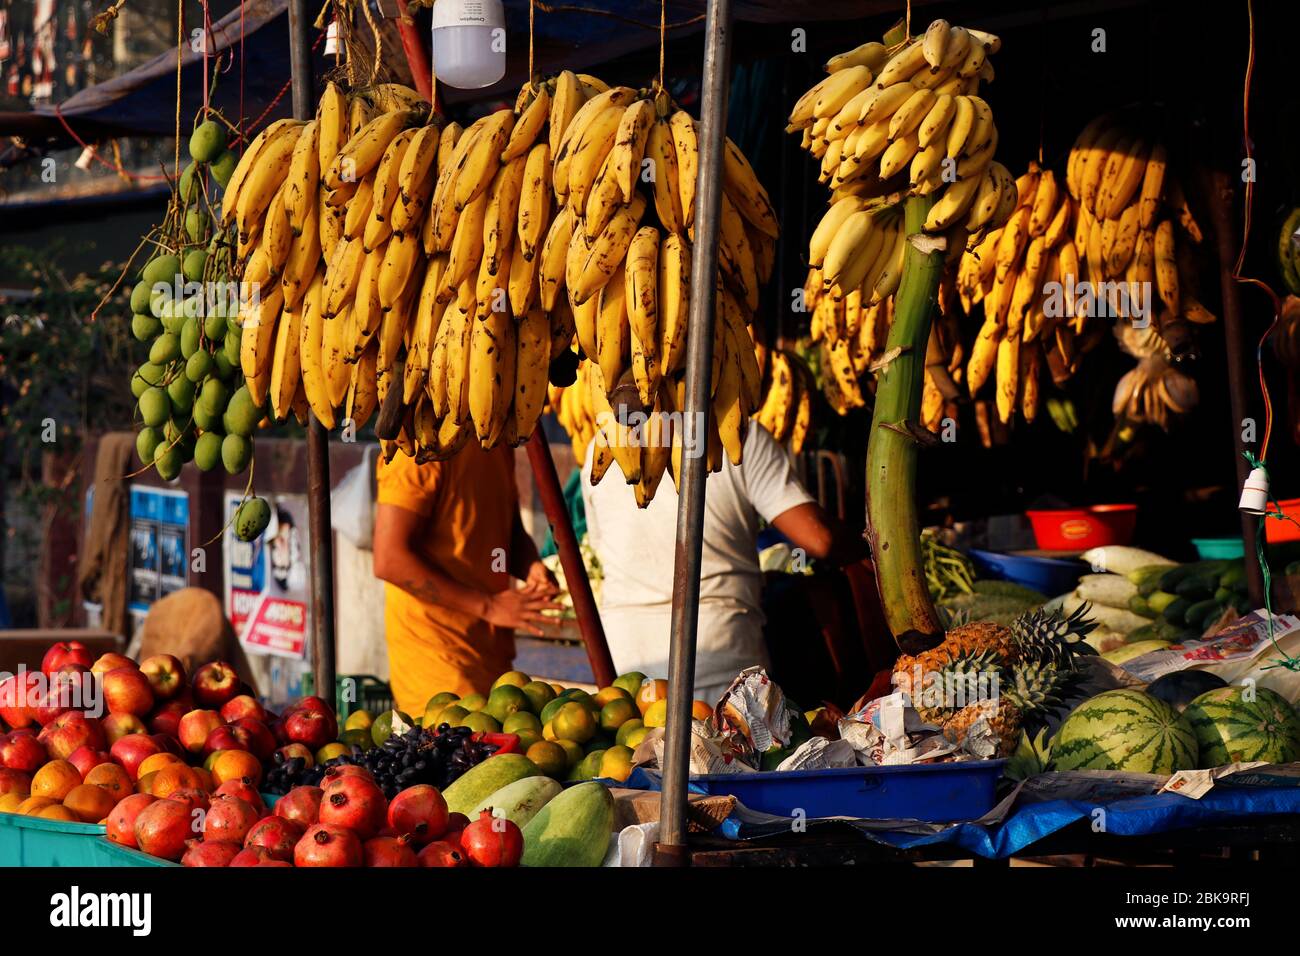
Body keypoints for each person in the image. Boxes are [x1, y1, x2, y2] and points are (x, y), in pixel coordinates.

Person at [581, 422, 868, 703]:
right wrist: (871, 544)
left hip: (626, 676)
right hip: (724, 675)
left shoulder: (603, 443)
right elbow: (821, 540)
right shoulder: (737, 433)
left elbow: (606, 550)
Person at [372, 443, 560, 714]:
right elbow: (390, 559)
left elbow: (509, 527)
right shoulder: (417, 447)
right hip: (437, 669)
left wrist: (531, 567)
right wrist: (490, 606)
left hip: (493, 665)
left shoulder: (495, 439)